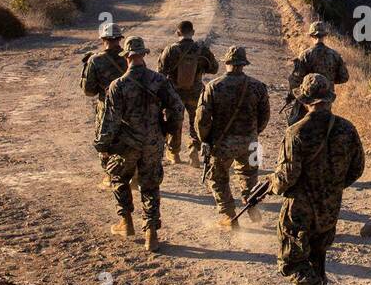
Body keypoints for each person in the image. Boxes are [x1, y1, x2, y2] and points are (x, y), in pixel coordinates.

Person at [267, 73, 364, 285]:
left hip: (300, 207)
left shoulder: (296, 131)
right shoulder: (347, 129)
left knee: (290, 261)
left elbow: (286, 178)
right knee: (317, 255)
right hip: (330, 206)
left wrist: (273, 185)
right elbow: (357, 168)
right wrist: (332, 187)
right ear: (330, 99)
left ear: (306, 100)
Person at [95, 35, 185, 252]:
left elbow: (111, 120)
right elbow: (178, 109)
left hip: (127, 144)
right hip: (153, 142)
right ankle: (151, 232)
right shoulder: (159, 81)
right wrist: (168, 131)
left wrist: (103, 146)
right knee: (150, 186)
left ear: (126, 57)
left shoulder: (118, 85)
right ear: (144, 55)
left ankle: (126, 222)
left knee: (119, 178)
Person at [195, 46, 270, 231]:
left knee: (218, 178)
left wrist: (205, 139)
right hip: (251, 142)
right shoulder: (258, 87)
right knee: (249, 174)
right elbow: (265, 116)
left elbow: (202, 119)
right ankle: (251, 206)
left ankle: (229, 215)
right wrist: (254, 132)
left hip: (222, 144)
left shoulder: (213, 86)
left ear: (227, 63)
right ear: (244, 64)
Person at [157, 21, 218, 167]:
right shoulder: (201, 49)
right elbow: (214, 68)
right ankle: (193, 150)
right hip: (195, 91)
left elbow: (160, 71)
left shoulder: (170, 50)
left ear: (178, 33)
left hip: (174, 93)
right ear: (193, 32)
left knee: (175, 122)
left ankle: (174, 153)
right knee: (195, 122)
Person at [81, 25, 127, 188]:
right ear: (119, 39)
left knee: (105, 140)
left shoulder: (96, 60)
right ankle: (133, 174)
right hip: (130, 107)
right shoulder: (128, 56)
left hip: (106, 108)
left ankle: (109, 175)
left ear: (102, 39)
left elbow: (89, 91)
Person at [285, 21, 348, 124]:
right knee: (324, 125)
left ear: (311, 36)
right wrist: (330, 80)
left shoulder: (305, 55)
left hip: (307, 96)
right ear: (325, 36)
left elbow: (296, 79)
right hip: (327, 96)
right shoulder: (335, 55)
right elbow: (344, 77)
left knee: (296, 125)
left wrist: (291, 96)